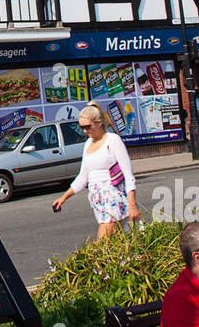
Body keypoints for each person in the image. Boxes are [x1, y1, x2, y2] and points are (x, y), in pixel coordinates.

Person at [52, 103, 139, 240]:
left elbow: (129, 176)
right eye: (82, 128)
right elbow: (83, 177)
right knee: (118, 245)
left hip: (113, 199)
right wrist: (63, 198)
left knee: (102, 243)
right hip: (99, 202)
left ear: (99, 123)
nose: (85, 131)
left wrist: (132, 205)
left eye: (88, 127)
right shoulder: (88, 144)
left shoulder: (113, 140)